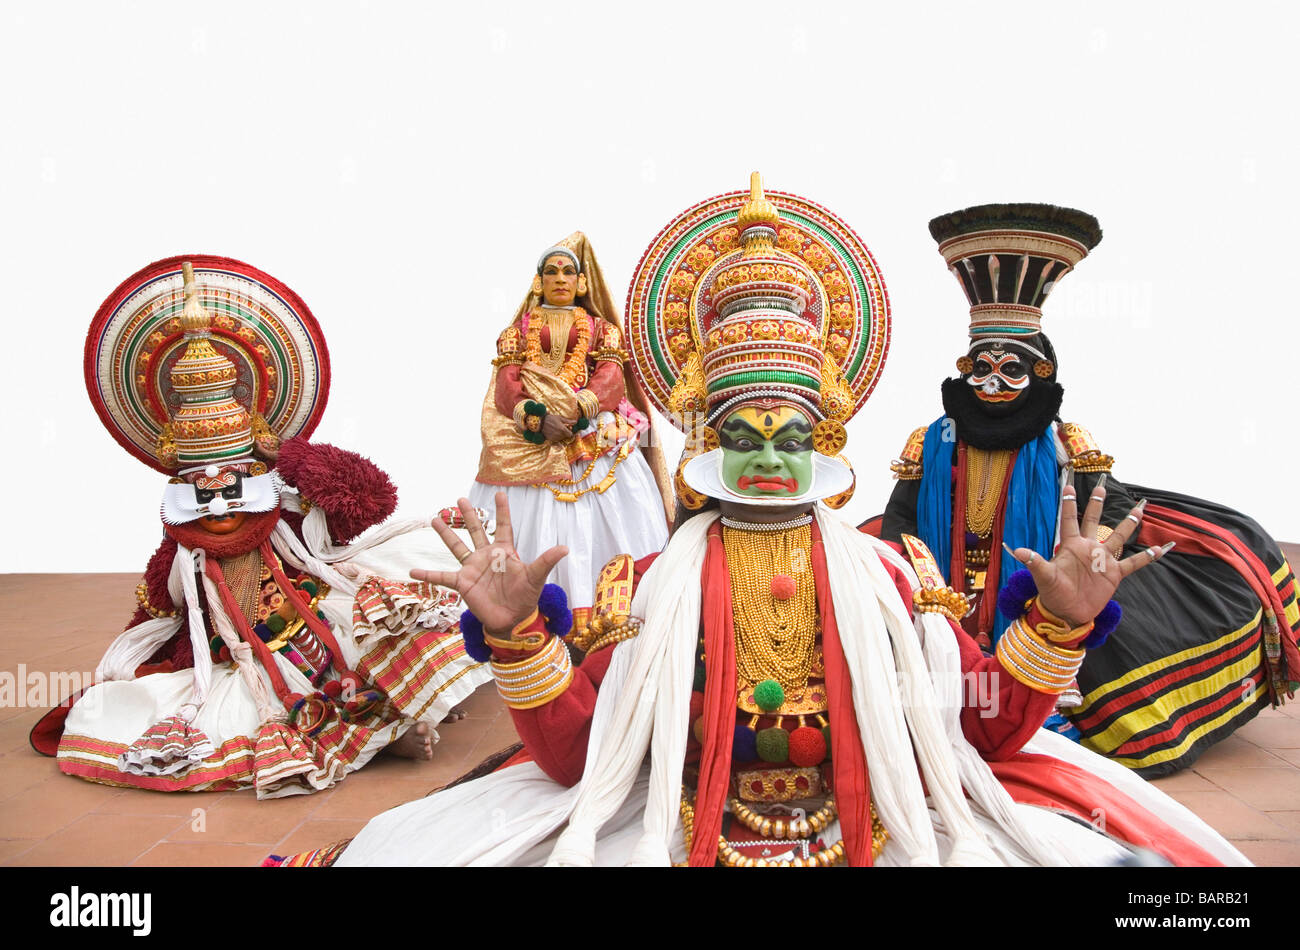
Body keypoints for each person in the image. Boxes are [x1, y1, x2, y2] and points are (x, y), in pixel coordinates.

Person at [310, 177, 1241, 866]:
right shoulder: (642, 586)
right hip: (678, 829)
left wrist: (1061, 625)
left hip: (880, 826)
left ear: (824, 437)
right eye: (742, 432)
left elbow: (983, 735)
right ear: (706, 438)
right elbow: (573, 763)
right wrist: (517, 638)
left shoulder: (892, 577)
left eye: (789, 433)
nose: (766, 454)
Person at [32, 257, 490, 797]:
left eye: (234, 482)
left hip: (325, 611)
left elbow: (370, 497)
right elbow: (155, 614)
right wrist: (143, 670)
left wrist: (291, 456)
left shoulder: (287, 507)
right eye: (202, 490)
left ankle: (405, 716)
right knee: (260, 710)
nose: (220, 504)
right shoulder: (178, 554)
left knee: (382, 636)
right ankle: (390, 738)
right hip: (249, 656)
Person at [878, 203, 1300, 777]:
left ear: (1042, 375)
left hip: (1043, 583)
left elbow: (1116, 505)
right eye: (980, 369)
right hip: (942, 582)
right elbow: (900, 516)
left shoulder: (1063, 442)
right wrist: (917, 577)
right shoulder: (931, 441)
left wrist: (1080, 559)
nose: (993, 383)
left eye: (1011, 370)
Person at [468, 232, 672, 634]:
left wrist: (581, 407)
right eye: (550, 272)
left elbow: (613, 376)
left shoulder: (601, 329)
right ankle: (534, 622)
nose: (560, 278)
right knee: (525, 525)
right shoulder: (516, 331)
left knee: (613, 518)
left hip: (592, 432)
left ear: (581, 283)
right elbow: (507, 382)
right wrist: (535, 416)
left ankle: (622, 613)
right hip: (529, 441)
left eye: (568, 272)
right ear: (538, 282)